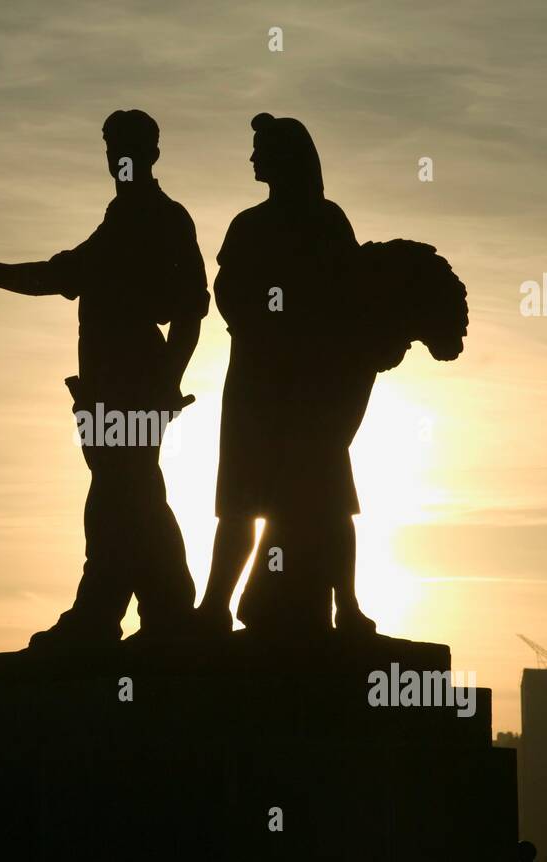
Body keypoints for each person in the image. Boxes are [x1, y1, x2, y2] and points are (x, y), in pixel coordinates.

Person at [0, 110, 210, 652]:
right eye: (109, 149)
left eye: (124, 148)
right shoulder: (118, 220)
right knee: (133, 494)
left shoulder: (162, 218)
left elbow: (193, 308)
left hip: (134, 384)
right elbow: (60, 275)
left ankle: (103, 615)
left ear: (150, 154)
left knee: (118, 497)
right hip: (109, 384)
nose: (115, 160)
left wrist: (165, 384)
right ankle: (165, 608)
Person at [196, 112, 380, 637]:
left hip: (308, 389)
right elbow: (229, 294)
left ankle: (346, 604)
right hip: (255, 384)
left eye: (260, 149)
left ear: (286, 157)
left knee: (330, 501)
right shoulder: (248, 225)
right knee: (240, 503)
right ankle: (214, 606)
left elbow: (348, 296)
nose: (252, 158)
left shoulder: (327, 222)